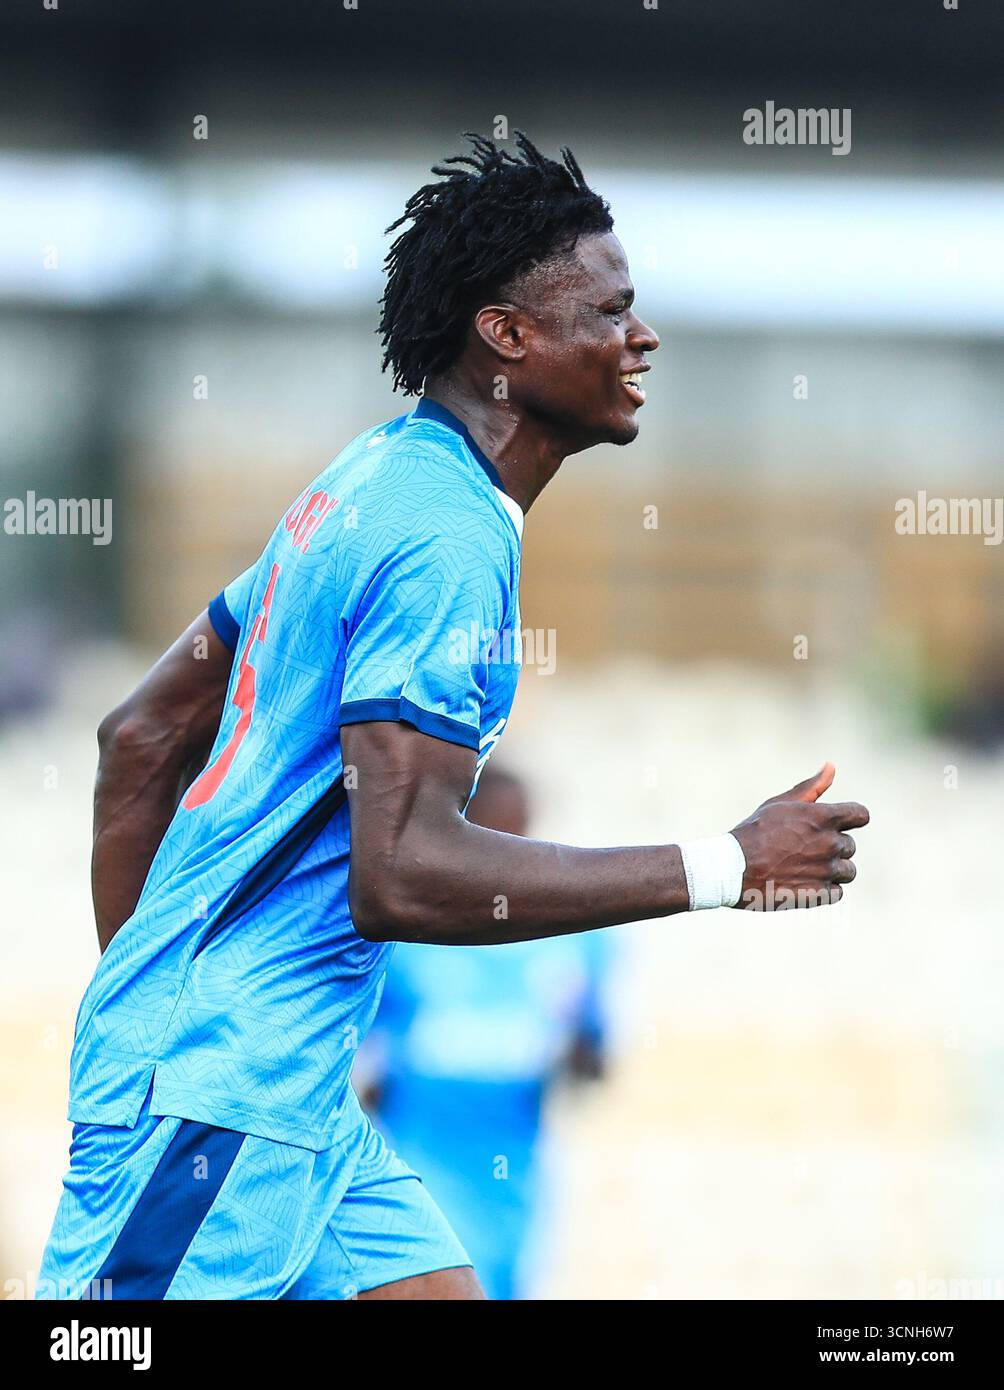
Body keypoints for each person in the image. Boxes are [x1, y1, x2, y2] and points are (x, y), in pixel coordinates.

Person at [39, 132, 868, 1302]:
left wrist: (150, 1000)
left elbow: (140, 734)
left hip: (288, 1088)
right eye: (609, 310)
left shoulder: (359, 485)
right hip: (224, 1089)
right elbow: (404, 873)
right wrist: (724, 864)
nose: (641, 337)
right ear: (507, 333)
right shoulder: (444, 538)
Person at [358, 764, 610, 1300]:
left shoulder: (570, 933)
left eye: (517, 834)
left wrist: (569, 1045)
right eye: (490, 835)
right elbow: (362, 1050)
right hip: (418, 1152)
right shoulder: (409, 924)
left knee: (502, 1283)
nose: (505, 853)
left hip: (515, 1161)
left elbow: (595, 1060)